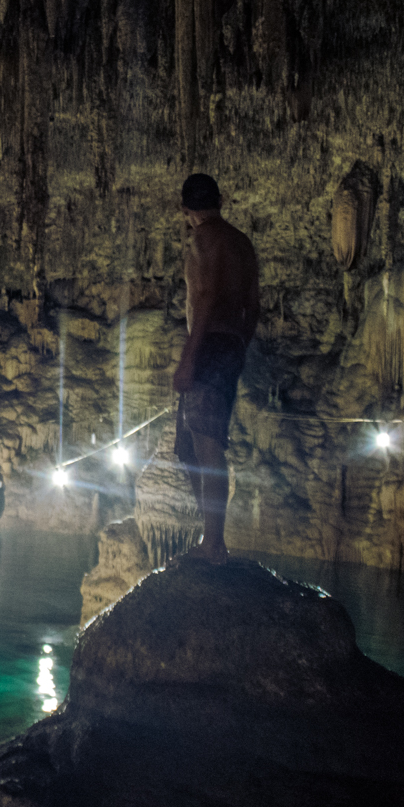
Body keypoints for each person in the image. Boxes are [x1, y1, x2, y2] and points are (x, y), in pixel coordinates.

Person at [173, 173, 260, 564]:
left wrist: (190, 356)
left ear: (187, 210)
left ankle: (213, 544)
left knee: (205, 445)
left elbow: (205, 297)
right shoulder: (242, 243)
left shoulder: (202, 239)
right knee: (189, 444)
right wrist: (240, 342)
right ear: (220, 200)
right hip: (230, 344)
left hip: (208, 344)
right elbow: (254, 304)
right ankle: (210, 537)